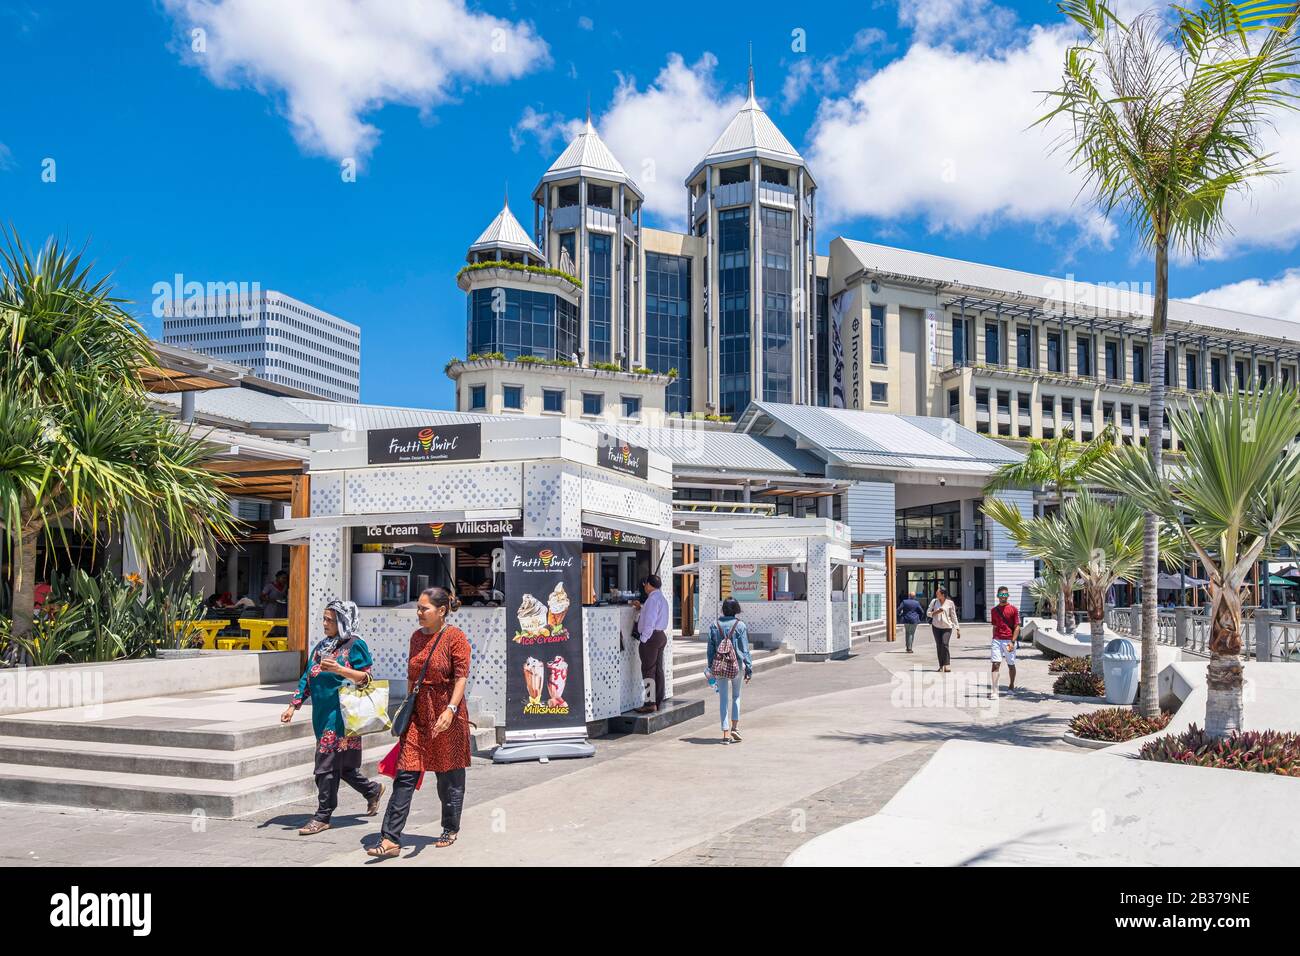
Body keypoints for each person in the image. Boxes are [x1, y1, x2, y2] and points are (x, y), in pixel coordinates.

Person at [368, 587, 471, 859]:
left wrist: (450, 710)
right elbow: (412, 675)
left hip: (446, 711)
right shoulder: (416, 637)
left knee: (448, 776)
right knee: (405, 773)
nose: (419, 613)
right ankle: (390, 839)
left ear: (441, 611)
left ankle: (450, 827)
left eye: (424, 608)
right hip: (420, 713)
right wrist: (409, 708)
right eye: (418, 608)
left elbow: (461, 677)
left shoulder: (455, 637)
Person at [281, 600, 384, 835]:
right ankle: (372, 790)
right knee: (344, 767)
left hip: (341, 716)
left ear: (343, 621)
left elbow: (366, 679)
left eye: (330, 619)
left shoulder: (355, 645)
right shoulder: (322, 646)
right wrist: (293, 705)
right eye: (324, 619)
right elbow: (307, 676)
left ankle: (323, 815)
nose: (325, 623)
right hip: (322, 713)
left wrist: (339, 670)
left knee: (325, 766)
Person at [707, 598, 753, 745]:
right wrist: (749, 668)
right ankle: (735, 727)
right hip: (736, 665)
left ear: (723, 610)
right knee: (736, 696)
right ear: (736, 609)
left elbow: (710, 650)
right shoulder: (740, 626)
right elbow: (745, 649)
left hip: (720, 666)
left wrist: (711, 667)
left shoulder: (714, 626)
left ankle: (725, 733)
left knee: (723, 699)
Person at [632, 573, 670, 714]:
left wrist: (644, 639)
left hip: (651, 638)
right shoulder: (661, 598)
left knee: (648, 671)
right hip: (660, 636)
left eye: (645, 584)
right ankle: (657, 700)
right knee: (657, 670)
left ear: (648, 585)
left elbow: (649, 621)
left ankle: (649, 703)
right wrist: (640, 608)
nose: (644, 587)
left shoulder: (652, 600)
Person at [989, 586, 1021, 697]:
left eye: (1005, 594)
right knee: (995, 664)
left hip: (1009, 640)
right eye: (1002, 595)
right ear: (998, 596)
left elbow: (1017, 627)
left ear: (1008, 596)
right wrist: (994, 638)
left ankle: (1011, 686)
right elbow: (994, 626)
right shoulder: (994, 610)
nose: (1004, 597)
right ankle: (994, 690)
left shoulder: (1013, 609)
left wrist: (1013, 642)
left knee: (1010, 664)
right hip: (997, 640)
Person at [927, 586, 960, 672]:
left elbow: (953, 616)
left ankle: (947, 664)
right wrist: (935, 612)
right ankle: (941, 665)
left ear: (943, 594)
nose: (936, 594)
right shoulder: (934, 602)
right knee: (939, 645)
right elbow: (928, 613)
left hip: (947, 627)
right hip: (936, 626)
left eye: (938, 593)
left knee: (945, 644)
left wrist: (957, 628)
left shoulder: (950, 603)